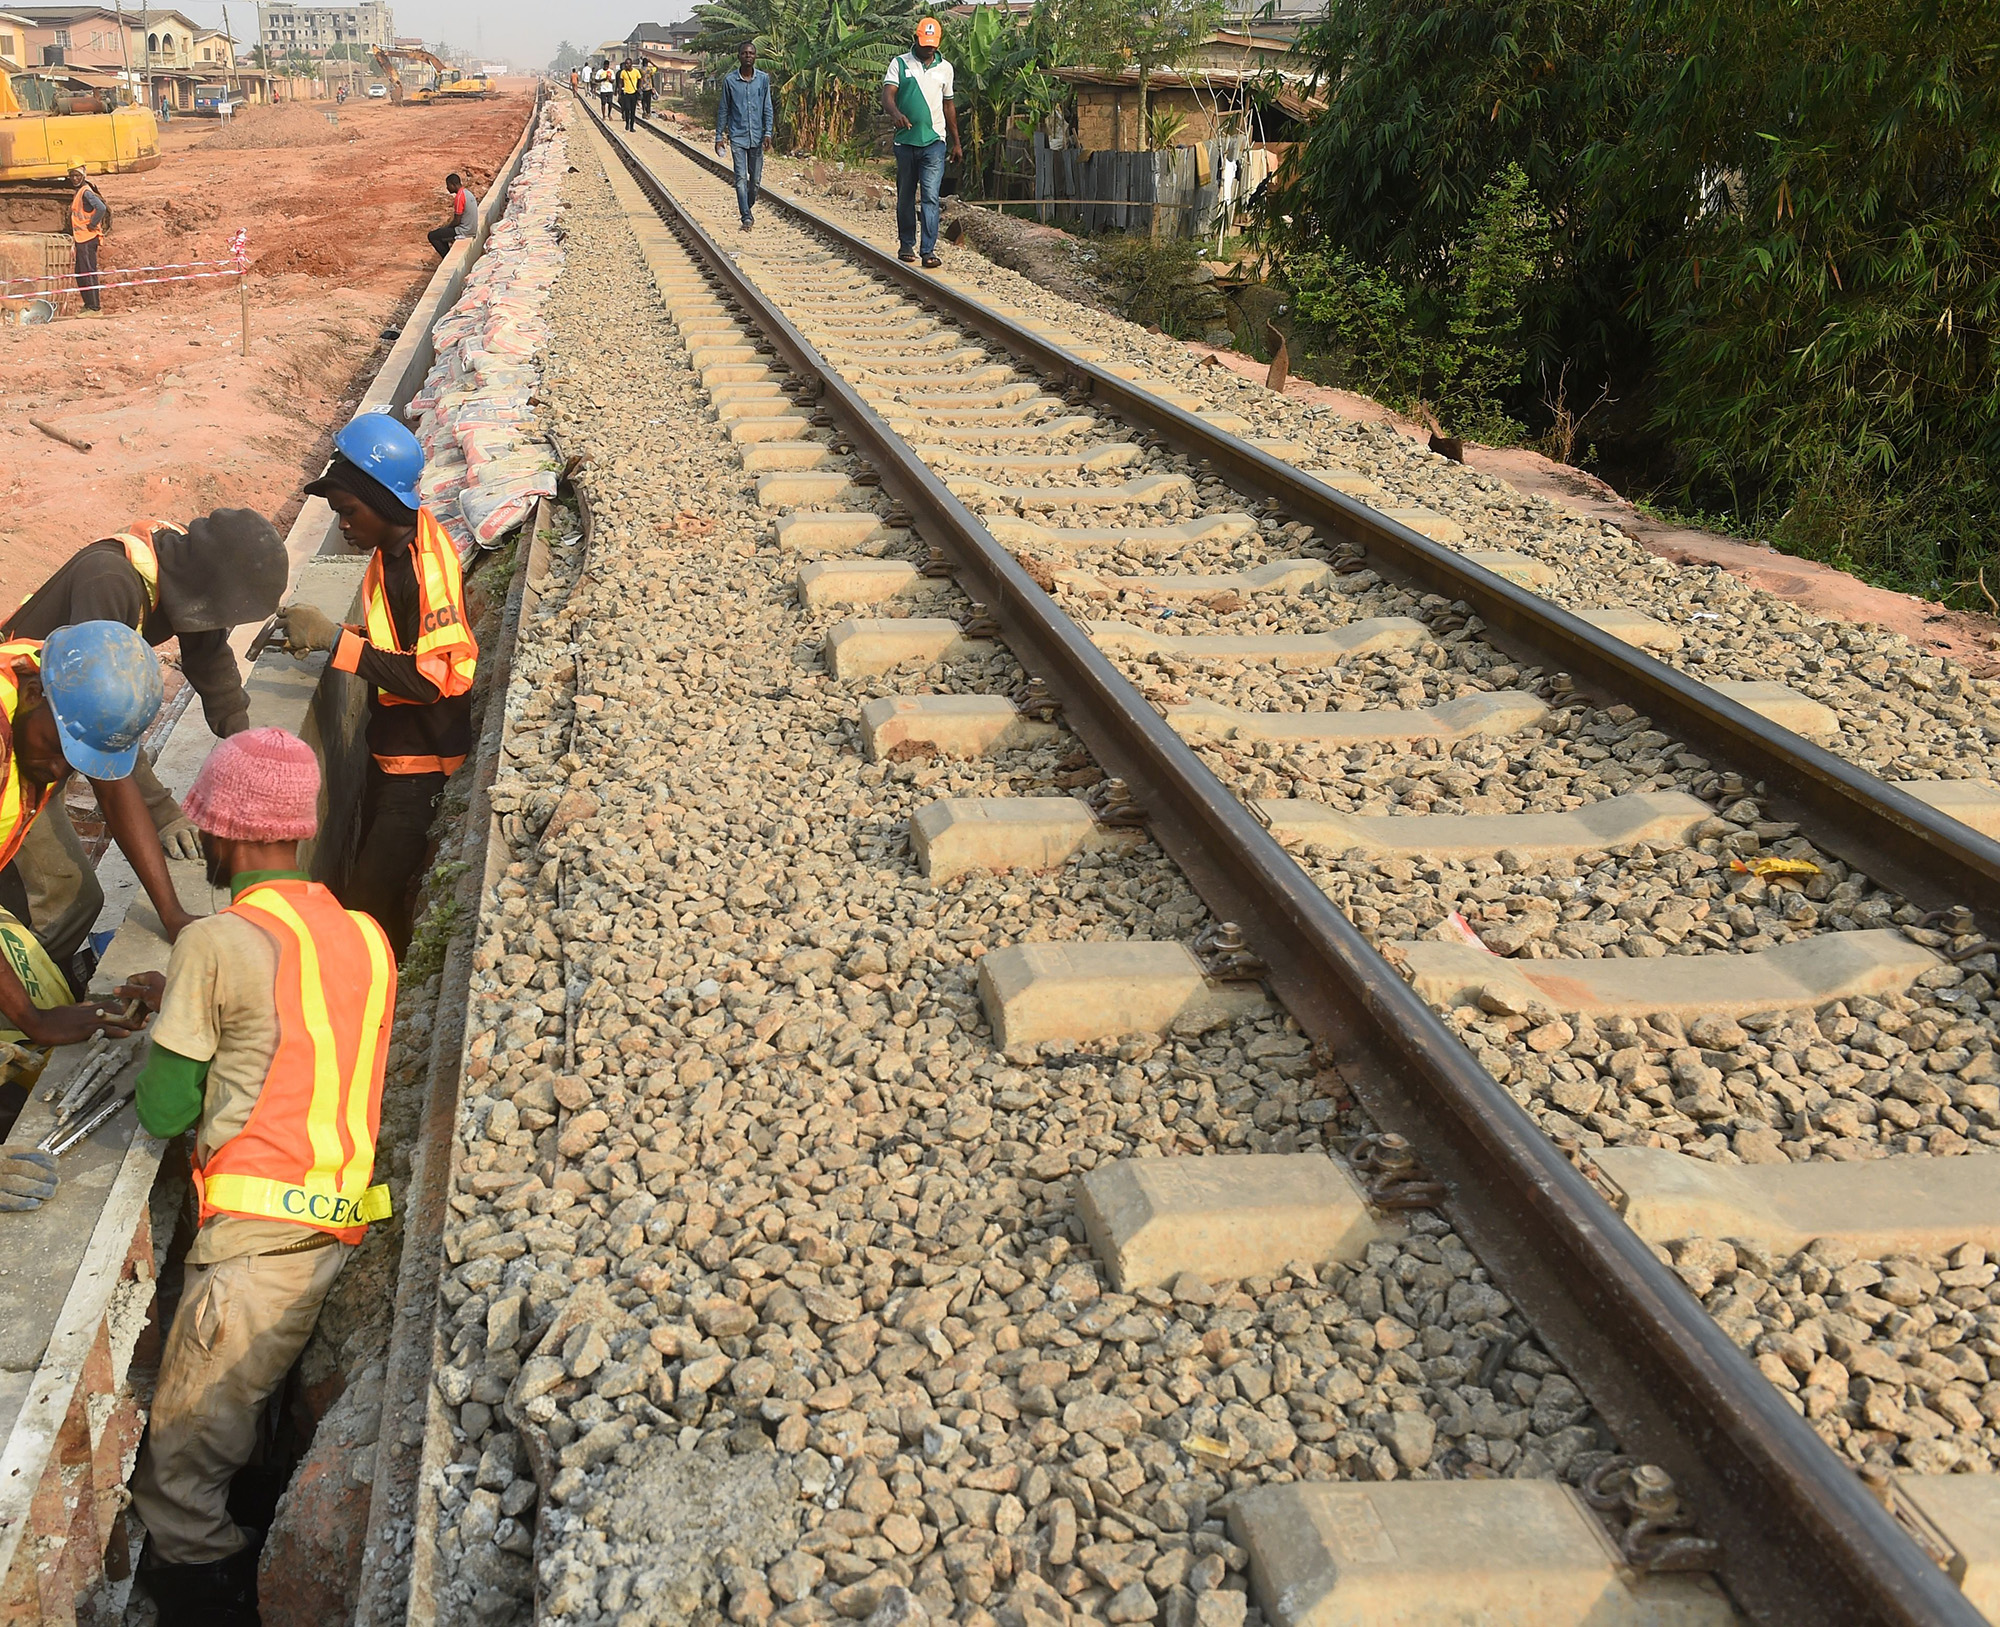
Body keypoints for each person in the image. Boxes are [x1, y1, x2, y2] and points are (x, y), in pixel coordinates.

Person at [120, 726, 395, 1627]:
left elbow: (163, 1111)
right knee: (247, 1420)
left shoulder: (214, 941)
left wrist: (172, 1028)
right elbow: (298, 1050)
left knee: (182, 1476)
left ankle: (210, 1592)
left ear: (223, 836)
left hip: (247, 1258)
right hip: (335, 1232)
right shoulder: (364, 937)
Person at [1, 510, 289, 980]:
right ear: (203, 585)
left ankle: (36, 988)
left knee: (51, 890)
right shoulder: (109, 581)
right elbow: (104, 733)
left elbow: (210, 655)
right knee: (62, 895)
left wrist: (245, 741)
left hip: (51, 732)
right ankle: (29, 1006)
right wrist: (163, 812)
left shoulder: (180, 569)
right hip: (25, 735)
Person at [275, 414, 476, 958]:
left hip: (423, 765)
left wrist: (334, 644)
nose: (342, 525)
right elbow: (404, 642)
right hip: (395, 749)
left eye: (348, 511)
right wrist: (339, 634)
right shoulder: (397, 550)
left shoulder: (420, 569)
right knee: (370, 897)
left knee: (363, 909)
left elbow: (428, 680)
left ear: (384, 503)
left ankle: (381, 995)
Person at [0, 622, 180, 1054]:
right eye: (62, 750)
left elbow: (115, 790)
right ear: (30, 696)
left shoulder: (68, 681)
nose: (63, 773)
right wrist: (33, 1019)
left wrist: (173, 915)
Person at [882, 19, 961, 269]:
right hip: (905, 142)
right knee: (906, 195)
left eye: (933, 45)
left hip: (934, 142)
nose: (929, 49)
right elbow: (887, 95)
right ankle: (907, 244)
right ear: (915, 39)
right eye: (925, 44)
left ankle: (928, 251)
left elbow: (949, 105)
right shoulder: (900, 63)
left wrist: (956, 141)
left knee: (930, 197)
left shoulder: (945, 68)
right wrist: (895, 115)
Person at [714, 41, 774, 232]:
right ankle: (746, 216)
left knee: (755, 181)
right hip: (738, 137)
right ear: (739, 56)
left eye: (751, 53)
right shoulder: (730, 81)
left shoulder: (763, 80)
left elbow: (767, 107)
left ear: (755, 57)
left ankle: (747, 204)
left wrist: (768, 132)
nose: (748, 56)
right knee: (740, 178)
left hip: (757, 137)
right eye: (744, 53)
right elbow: (724, 109)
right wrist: (719, 136)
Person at [68, 165, 108, 315]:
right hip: (82, 238)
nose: (74, 178)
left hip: (87, 238)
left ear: (83, 175)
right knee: (80, 271)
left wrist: (92, 224)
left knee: (88, 272)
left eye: (77, 175)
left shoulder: (85, 192)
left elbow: (101, 208)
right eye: (72, 175)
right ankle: (88, 304)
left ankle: (94, 308)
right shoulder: (80, 192)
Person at [426, 171, 477, 258]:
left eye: (448, 185)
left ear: (453, 184)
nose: (447, 188)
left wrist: (447, 227)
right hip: (471, 228)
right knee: (442, 233)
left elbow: (457, 221)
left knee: (433, 236)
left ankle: (446, 257)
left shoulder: (459, 197)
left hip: (464, 230)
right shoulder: (468, 193)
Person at [617, 56, 641, 131]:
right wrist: (620, 91)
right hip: (626, 93)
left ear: (631, 64)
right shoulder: (623, 72)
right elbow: (620, 82)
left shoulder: (636, 72)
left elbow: (640, 80)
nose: (626, 65)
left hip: (634, 93)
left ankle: (631, 126)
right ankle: (627, 123)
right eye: (626, 64)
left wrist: (639, 88)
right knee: (627, 109)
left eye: (628, 64)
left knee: (633, 111)